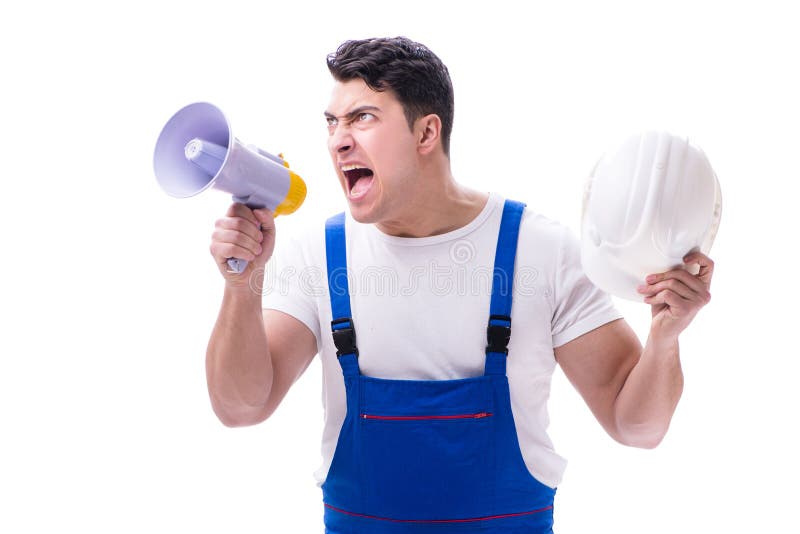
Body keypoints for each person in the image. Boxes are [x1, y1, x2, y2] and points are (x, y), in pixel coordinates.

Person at [205, 36, 715, 533]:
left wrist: (666, 336)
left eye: (363, 117)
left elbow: (637, 426)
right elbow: (241, 407)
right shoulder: (316, 254)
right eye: (332, 122)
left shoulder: (542, 252)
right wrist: (240, 285)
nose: (339, 139)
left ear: (427, 134)